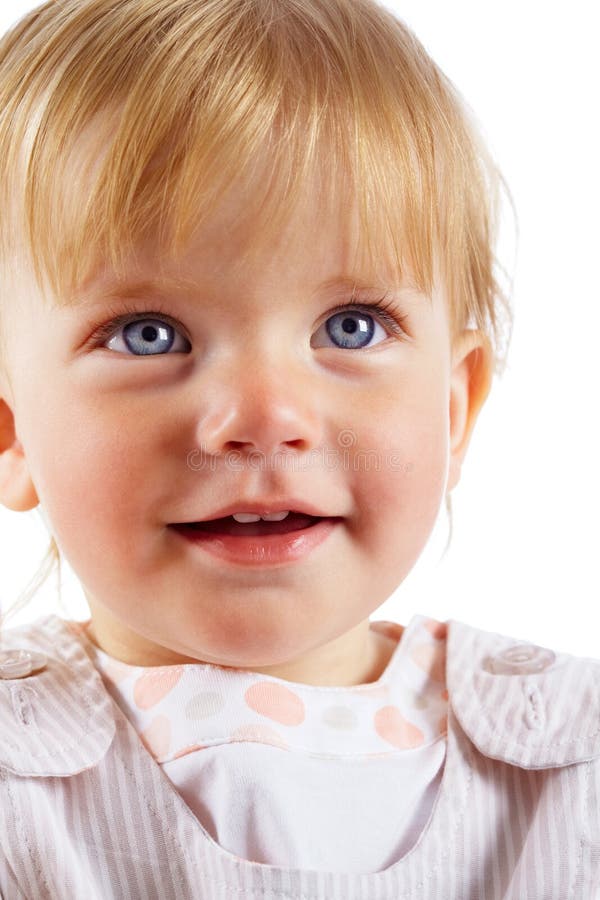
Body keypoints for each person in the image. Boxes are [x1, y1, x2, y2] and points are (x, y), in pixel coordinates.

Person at [0, 0, 598, 897]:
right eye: (148, 334)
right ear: (9, 430)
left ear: (452, 409)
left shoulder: (571, 760)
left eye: (350, 327)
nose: (265, 416)